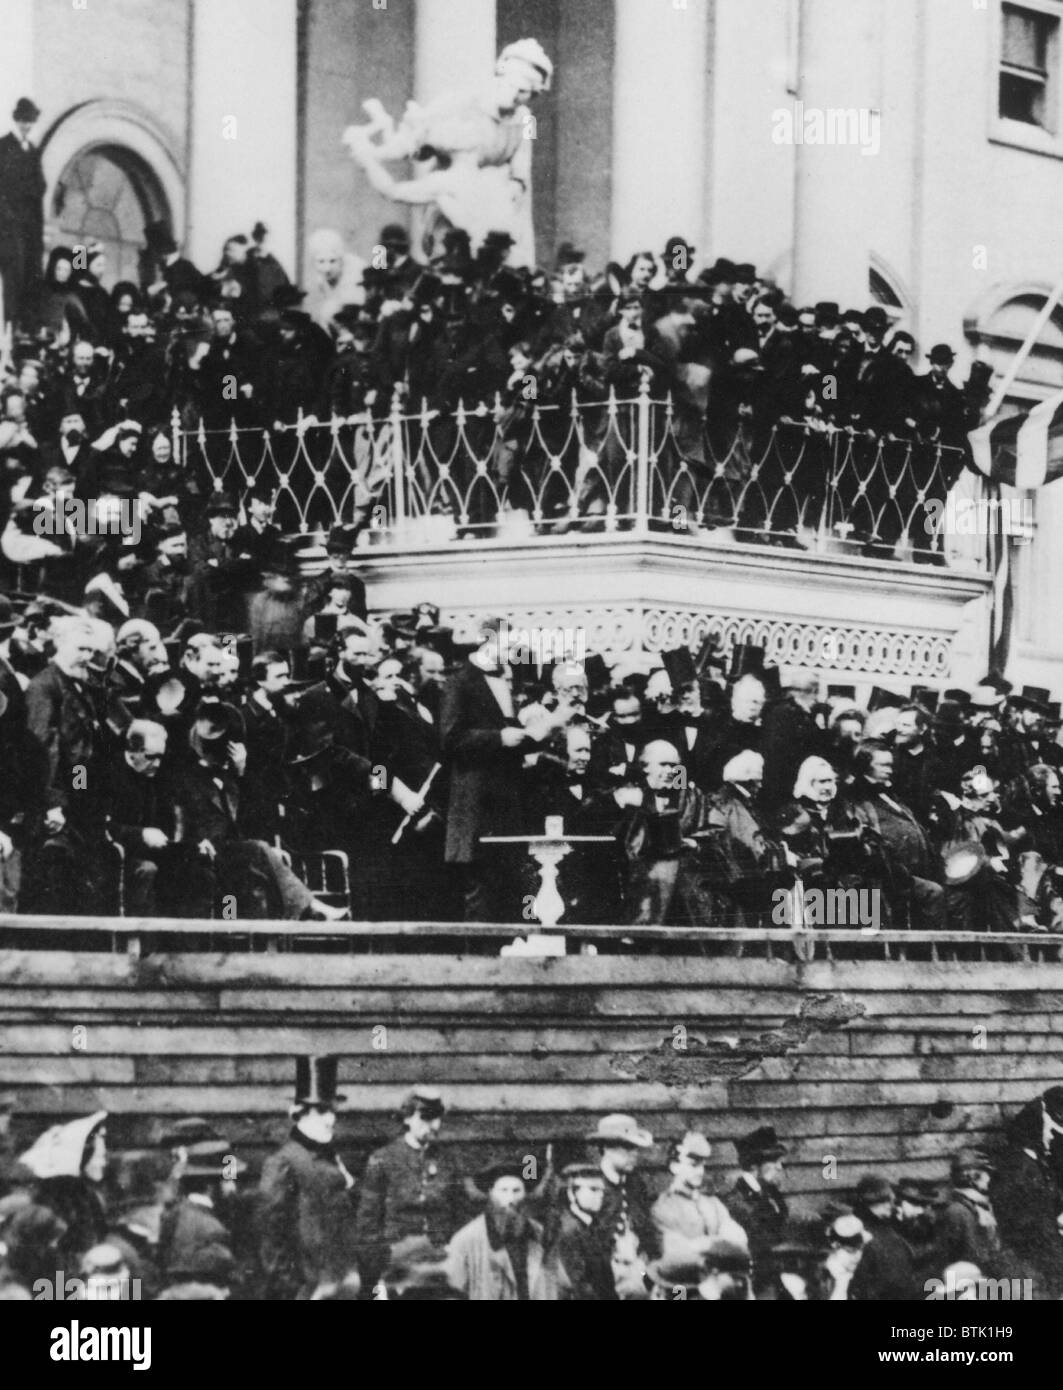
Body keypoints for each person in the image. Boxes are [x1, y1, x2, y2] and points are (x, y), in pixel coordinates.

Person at [257, 1056, 360, 1300]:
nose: (330, 1119)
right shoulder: (284, 1163)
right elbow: (271, 1239)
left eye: (332, 1110)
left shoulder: (332, 1159)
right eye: (322, 1111)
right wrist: (295, 1291)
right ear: (299, 1113)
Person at [353, 1086, 461, 1290]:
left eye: (438, 1118)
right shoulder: (383, 1159)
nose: (434, 1125)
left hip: (439, 1263)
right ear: (407, 1118)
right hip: (396, 1265)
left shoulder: (447, 1161)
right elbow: (367, 1224)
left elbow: (460, 1212)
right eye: (426, 1118)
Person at [445, 1160, 560, 1300]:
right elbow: (451, 1292)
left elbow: (552, 1287)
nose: (511, 1198)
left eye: (516, 1191)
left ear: (525, 1195)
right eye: (503, 1190)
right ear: (491, 1194)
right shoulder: (466, 1240)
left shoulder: (539, 1234)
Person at [586, 1113, 657, 1299]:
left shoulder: (635, 1183)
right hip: (606, 1272)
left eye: (635, 1148)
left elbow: (645, 1228)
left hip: (638, 1266)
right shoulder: (591, 1185)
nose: (634, 1154)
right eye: (627, 1147)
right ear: (606, 1148)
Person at [651, 1131, 748, 1257]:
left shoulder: (713, 1204)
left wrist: (702, 1245)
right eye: (693, 1165)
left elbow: (739, 1240)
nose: (701, 1171)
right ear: (674, 1166)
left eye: (703, 1165)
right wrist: (719, 1244)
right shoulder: (663, 1209)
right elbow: (676, 1253)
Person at [726, 1125, 790, 1294]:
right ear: (754, 1165)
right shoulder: (738, 1201)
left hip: (776, 1277)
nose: (779, 1167)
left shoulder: (770, 1192)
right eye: (773, 1161)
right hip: (756, 1283)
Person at [0, 99, 46, 330]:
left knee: (32, 272)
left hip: (30, 224)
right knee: (14, 271)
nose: (27, 126)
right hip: (10, 224)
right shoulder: (4, 146)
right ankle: (10, 323)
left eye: (31, 121)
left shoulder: (33, 151)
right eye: (24, 121)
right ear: (16, 119)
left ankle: (25, 324)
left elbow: (40, 186)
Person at [552, 1163, 616, 1301]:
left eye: (601, 1191)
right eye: (593, 1190)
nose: (600, 1196)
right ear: (571, 1193)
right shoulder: (568, 1231)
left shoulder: (592, 1225)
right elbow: (578, 1284)